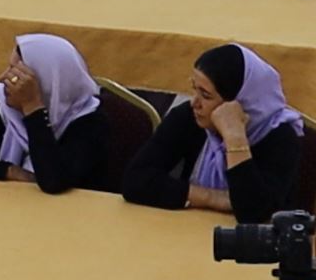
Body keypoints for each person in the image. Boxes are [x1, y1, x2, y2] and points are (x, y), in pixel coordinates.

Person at [122, 43, 303, 223]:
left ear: (240, 102)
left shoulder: (281, 137)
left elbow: (254, 213)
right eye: (194, 89)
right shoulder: (189, 117)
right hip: (187, 228)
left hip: (252, 239)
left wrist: (234, 137)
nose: (194, 103)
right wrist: (212, 197)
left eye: (206, 96)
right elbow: (135, 180)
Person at [0, 33, 108, 194]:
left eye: (15, 75)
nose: (2, 78)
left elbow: (53, 181)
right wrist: (9, 171)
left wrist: (33, 107)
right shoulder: (2, 101)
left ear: (47, 84)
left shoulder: (90, 120)